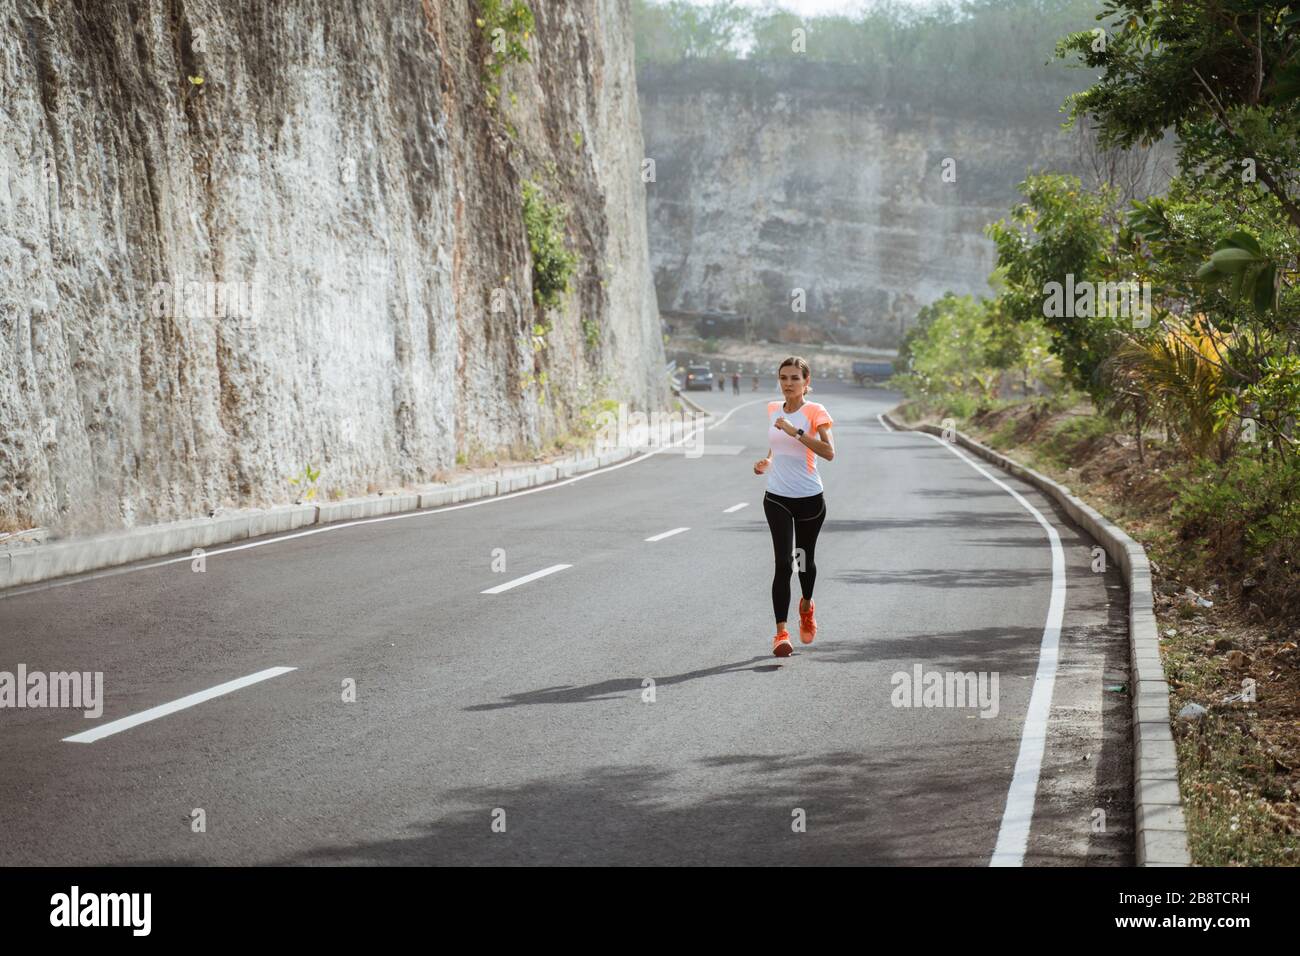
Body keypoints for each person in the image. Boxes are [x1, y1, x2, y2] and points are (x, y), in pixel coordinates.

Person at [752, 357, 835, 657]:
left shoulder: (815, 411)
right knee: (783, 563)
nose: (788, 383)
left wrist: (796, 432)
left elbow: (829, 452)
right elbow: (777, 446)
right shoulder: (774, 409)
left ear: (806, 381)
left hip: (810, 499)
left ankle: (807, 605)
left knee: (804, 562)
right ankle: (780, 634)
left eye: (795, 378)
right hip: (776, 496)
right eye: (783, 377)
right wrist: (768, 462)